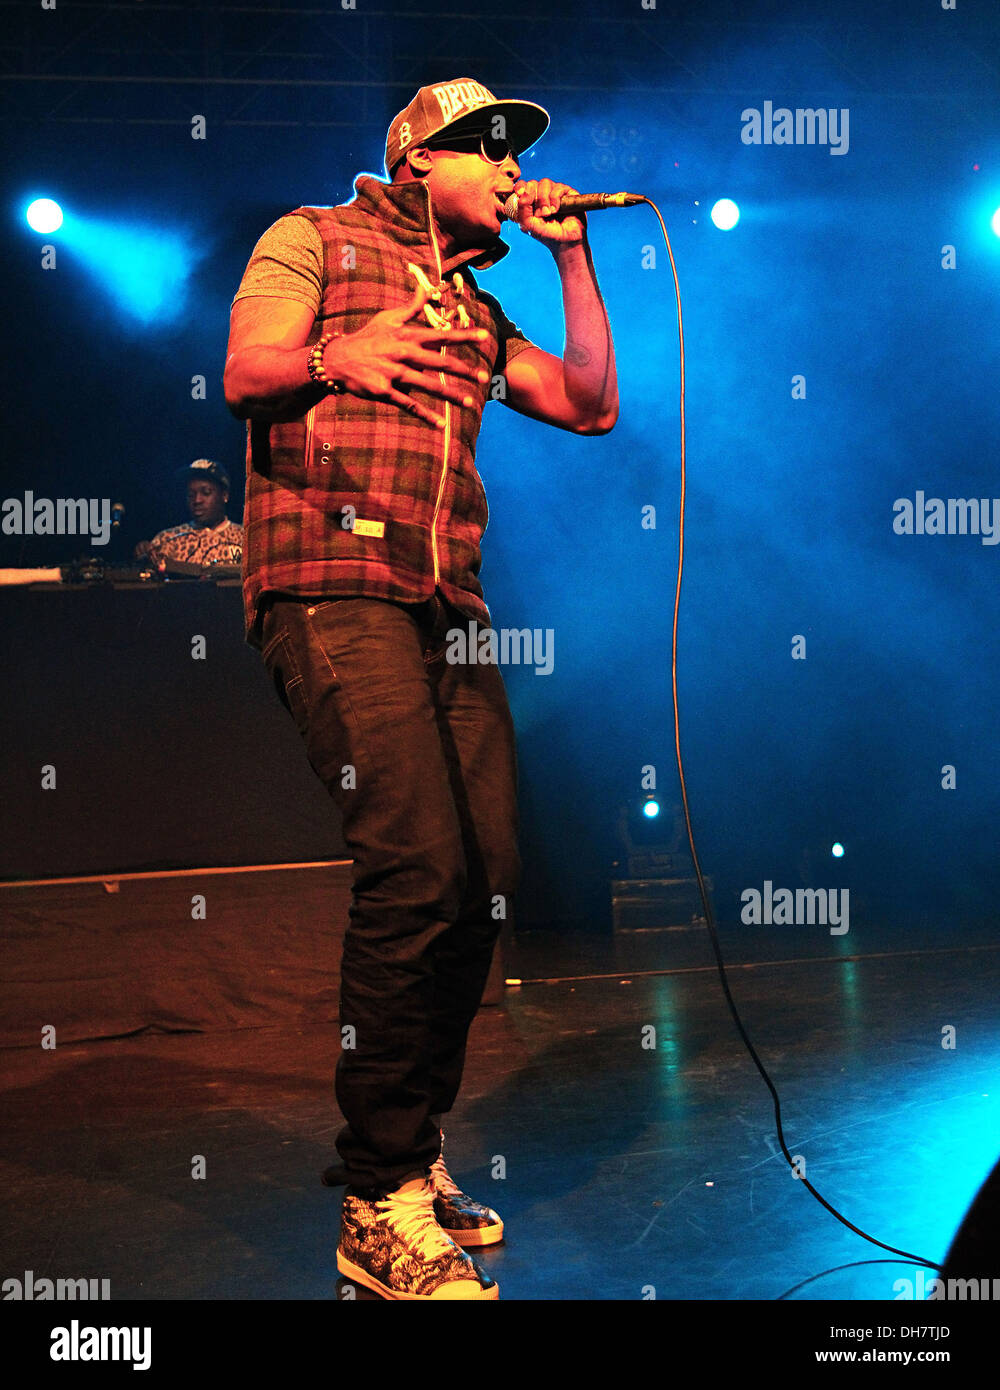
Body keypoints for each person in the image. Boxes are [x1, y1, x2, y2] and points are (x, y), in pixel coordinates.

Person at [224, 77, 618, 1301]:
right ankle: (375, 1195)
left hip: (444, 604)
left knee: (484, 874)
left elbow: (591, 406)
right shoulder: (313, 238)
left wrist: (571, 262)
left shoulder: (480, 306)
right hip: (328, 583)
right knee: (418, 865)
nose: (512, 171)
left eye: (519, 156)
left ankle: (415, 1156)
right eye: (485, 150)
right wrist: (337, 351)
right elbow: (244, 370)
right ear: (413, 159)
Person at [134, 459, 244, 567]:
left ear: (224, 495)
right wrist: (143, 555)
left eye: (206, 493)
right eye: (191, 495)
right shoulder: (168, 540)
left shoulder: (246, 538)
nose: (197, 500)